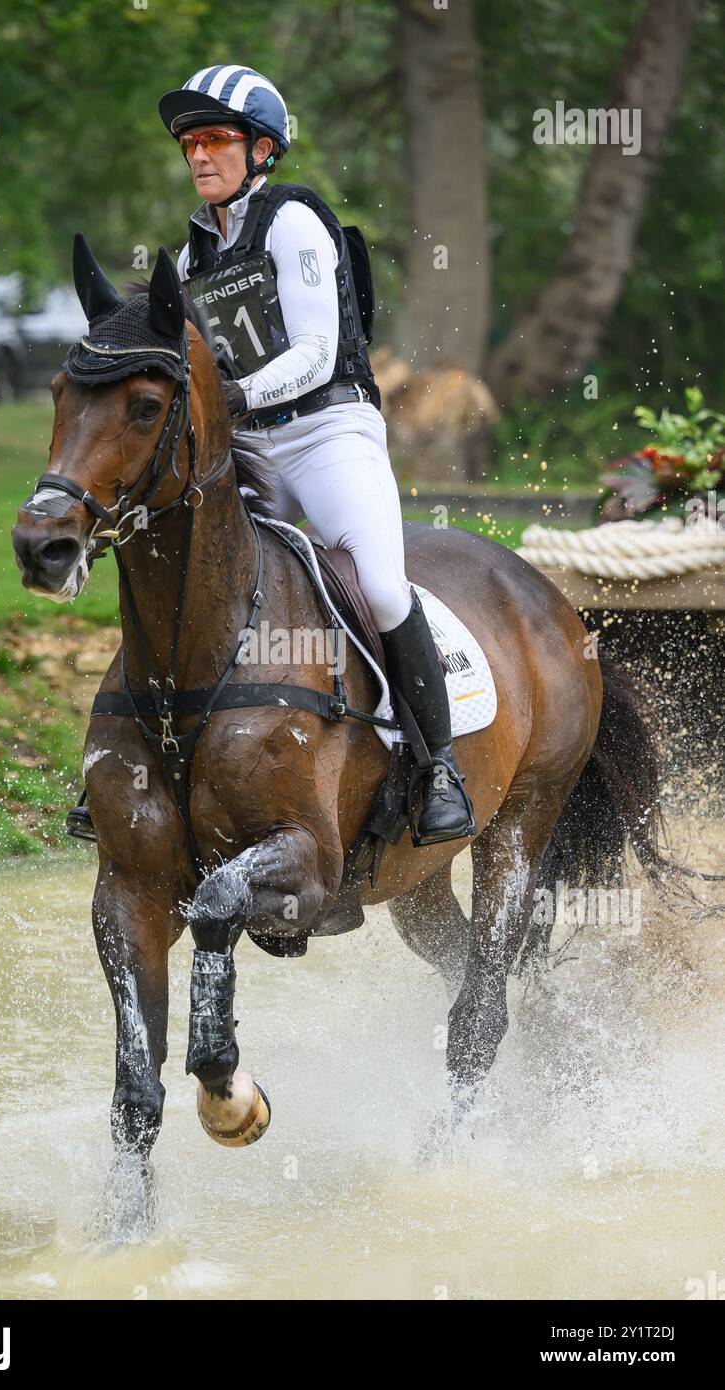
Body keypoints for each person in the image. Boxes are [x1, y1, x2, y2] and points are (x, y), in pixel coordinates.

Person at [156, 65, 475, 844]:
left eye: (215, 139)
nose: (199, 155)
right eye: (190, 142)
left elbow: (315, 351)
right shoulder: (191, 256)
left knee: (380, 585)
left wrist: (231, 399)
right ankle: (146, 759)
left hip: (326, 434)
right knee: (176, 568)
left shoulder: (292, 220)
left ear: (262, 149)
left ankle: (439, 771)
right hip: (250, 451)